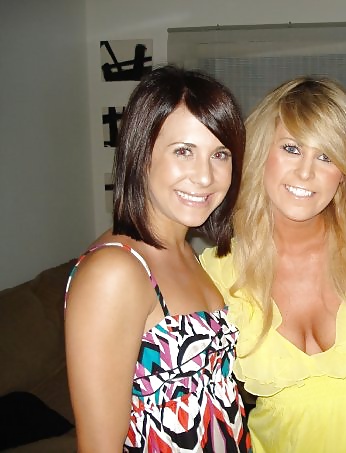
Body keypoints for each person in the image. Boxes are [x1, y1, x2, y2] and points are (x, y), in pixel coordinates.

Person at [200, 76, 346, 452]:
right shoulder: (217, 272)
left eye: (326, 156)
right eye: (291, 148)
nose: (306, 172)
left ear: (345, 172)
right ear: (262, 152)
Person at [64, 65, 251, 452]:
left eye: (220, 154)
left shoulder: (186, 251)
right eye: (184, 151)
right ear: (141, 153)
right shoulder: (114, 272)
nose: (205, 177)